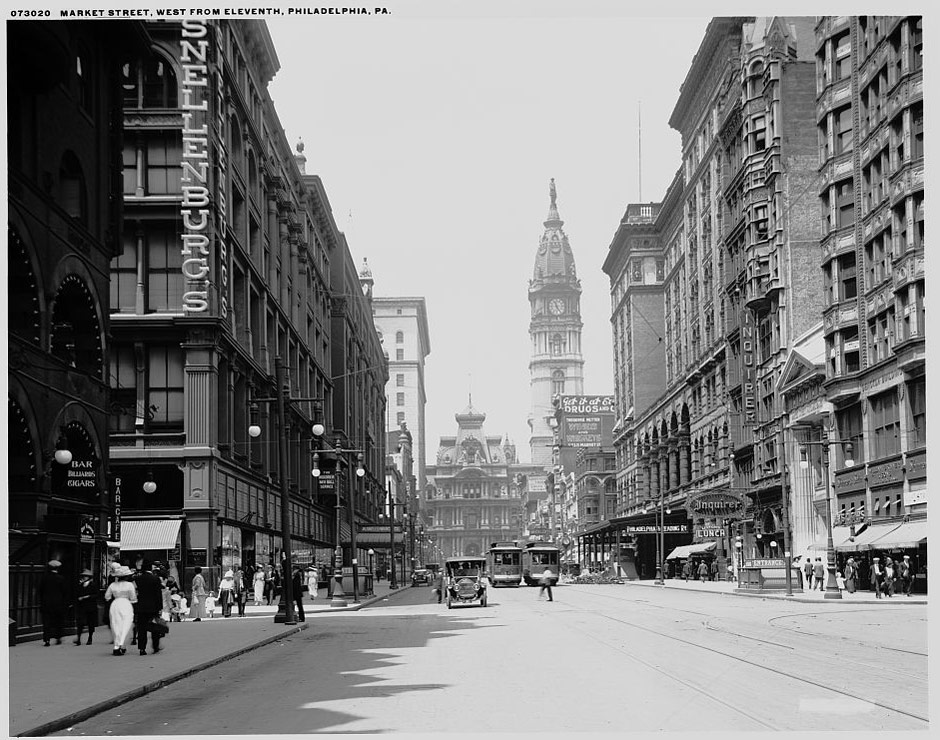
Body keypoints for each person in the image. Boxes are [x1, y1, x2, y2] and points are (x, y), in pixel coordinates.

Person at [105, 566, 137, 656]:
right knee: (126, 625)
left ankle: (116, 646)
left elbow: (107, 597)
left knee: (115, 624)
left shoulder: (112, 585)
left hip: (115, 604)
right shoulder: (130, 585)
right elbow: (133, 598)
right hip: (126, 604)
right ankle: (122, 645)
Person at [135, 562, 164, 656]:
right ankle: (155, 646)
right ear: (150, 569)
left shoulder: (138, 579)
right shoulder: (155, 579)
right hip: (153, 607)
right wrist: (160, 607)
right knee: (154, 627)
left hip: (141, 607)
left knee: (141, 629)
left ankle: (142, 649)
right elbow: (158, 594)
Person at [39, 559, 67, 646]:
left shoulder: (44, 578)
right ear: (57, 568)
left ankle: (47, 640)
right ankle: (58, 638)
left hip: (46, 604)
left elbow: (40, 591)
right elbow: (64, 592)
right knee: (58, 621)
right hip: (58, 604)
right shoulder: (61, 579)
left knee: (47, 622)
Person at [73, 568, 99, 645]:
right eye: (83, 576)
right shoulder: (80, 585)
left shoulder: (93, 585)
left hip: (91, 607)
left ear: (89, 577)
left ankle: (90, 638)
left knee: (91, 623)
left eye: (86, 576)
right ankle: (79, 638)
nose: (84, 577)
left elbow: (96, 595)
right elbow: (76, 594)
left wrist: (88, 596)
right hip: (82, 607)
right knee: (80, 623)